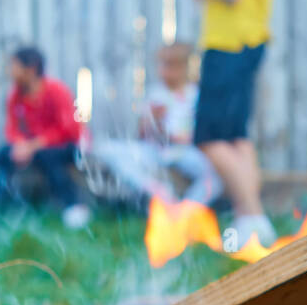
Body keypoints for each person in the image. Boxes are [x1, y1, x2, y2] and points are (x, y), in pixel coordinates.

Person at [173, 0, 289, 249]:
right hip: (250, 39)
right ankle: (250, 220)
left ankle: (252, 216)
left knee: (208, 135)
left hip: (230, 42)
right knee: (236, 135)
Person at [0, 47, 89, 229]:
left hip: (70, 147)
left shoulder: (57, 91)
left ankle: (74, 207)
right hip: (34, 147)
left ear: (31, 69)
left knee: (47, 156)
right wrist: (19, 144)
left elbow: (69, 129)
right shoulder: (17, 95)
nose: (10, 70)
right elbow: (12, 127)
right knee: (4, 153)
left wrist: (33, 145)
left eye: (14, 66)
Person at [87, 43, 222, 207]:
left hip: (187, 151)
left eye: (169, 66)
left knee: (215, 178)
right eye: (162, 65)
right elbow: (142, 134)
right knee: (106, 149)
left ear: (184, 67)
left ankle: (187, 211)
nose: (163, 71)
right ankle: (157, 192)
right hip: (156, 150)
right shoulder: (156, 94)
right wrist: (152, 122)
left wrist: (180, 138)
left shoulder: (197, 96)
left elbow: (205, 133)